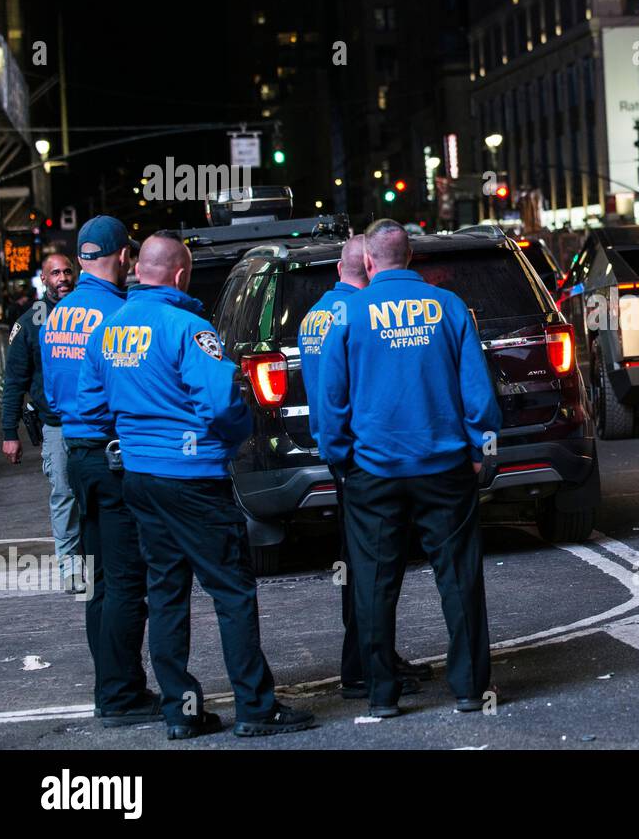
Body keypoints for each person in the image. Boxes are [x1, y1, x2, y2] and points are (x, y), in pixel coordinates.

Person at [76, 232, 315, 740]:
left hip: (139, 479)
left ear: (139, 270)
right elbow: (225, 406)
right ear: (181, 275)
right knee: (231, 591)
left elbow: (90, 407)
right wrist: (229, 442)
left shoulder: (109, 329)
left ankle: (181, 713)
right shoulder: (189, 328)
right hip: (194, 481)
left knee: (166, 593)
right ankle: (255, 708)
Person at [317, 219, 501, 717]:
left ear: (370, 262)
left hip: (373, 472)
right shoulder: (449, 307)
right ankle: (468, 689)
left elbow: (331, 401)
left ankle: (381, 697)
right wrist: (481, 446)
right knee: (459, 578)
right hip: (444, 468)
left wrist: (339, 455)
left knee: (374, 584)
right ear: (411, 257)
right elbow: (477, 394)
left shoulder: (349, 316)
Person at [297, 234, 432, 700]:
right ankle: (363, 668)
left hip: (337, 453)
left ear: (341, 268)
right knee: (373, 569)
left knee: (358, 564)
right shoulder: (361, 317)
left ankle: (370, 663)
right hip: (365, 456)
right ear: (371, 268)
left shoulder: (315, 315)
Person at [39, 216, 158, 728]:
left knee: (99, 581)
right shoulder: (118, 313)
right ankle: (122, 693)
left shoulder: (59, 313)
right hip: (111, 456)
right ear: (126, 256)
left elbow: (50, 392)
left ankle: (109, 688)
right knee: (127, 581)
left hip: (75, 451)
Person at [1, 254, 84, 592]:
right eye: (55, 273)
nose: (62, 278)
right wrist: (9, 433)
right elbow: (14, 382)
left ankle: (107, 564)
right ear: (45, 279)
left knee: (100, 495)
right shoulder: (31, 322)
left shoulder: (89, 313)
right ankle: (72, 568)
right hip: (56, 425)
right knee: (64, 494)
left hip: (95, 423)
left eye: (67, 271)